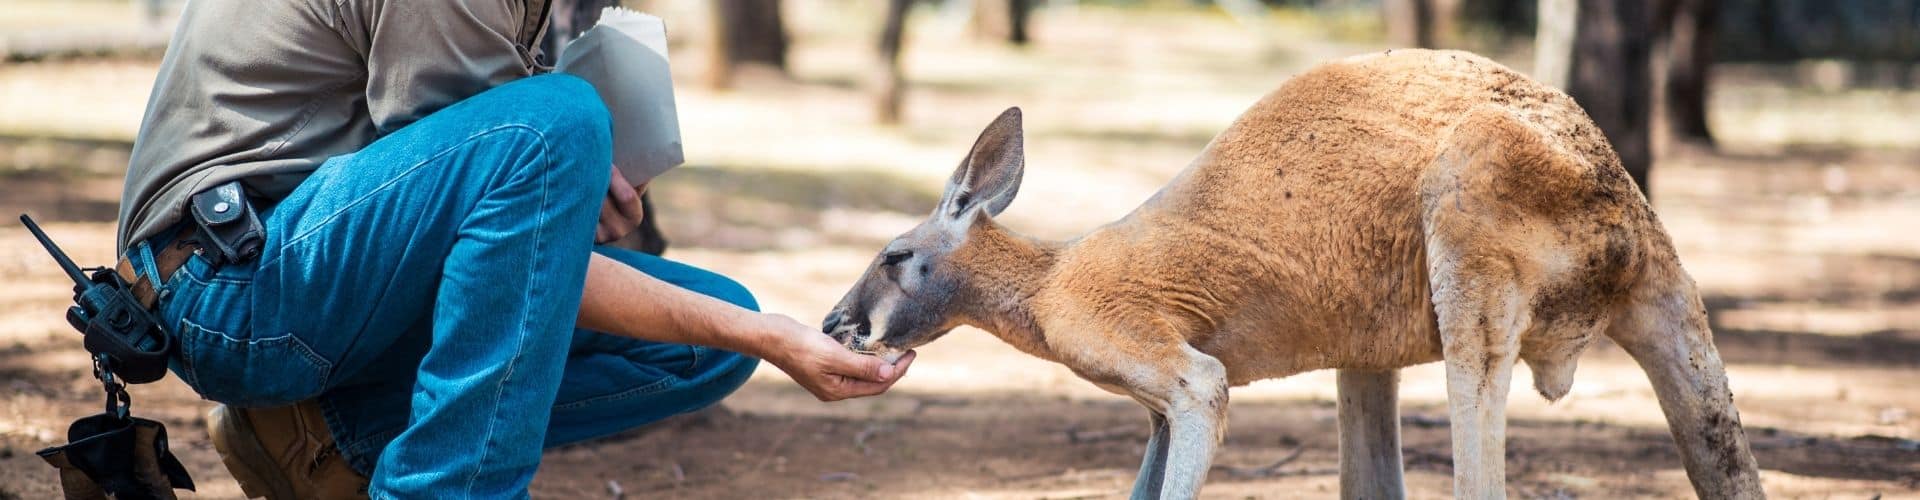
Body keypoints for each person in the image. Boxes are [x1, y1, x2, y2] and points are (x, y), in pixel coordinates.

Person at [113, 1, 916, 497]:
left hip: (309, 278)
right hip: (227, 291)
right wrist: (767, 336)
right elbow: (517, 174)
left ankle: (326, 438)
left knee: (707, 343)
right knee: (557, 123)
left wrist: (751, 331)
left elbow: (493, 257)